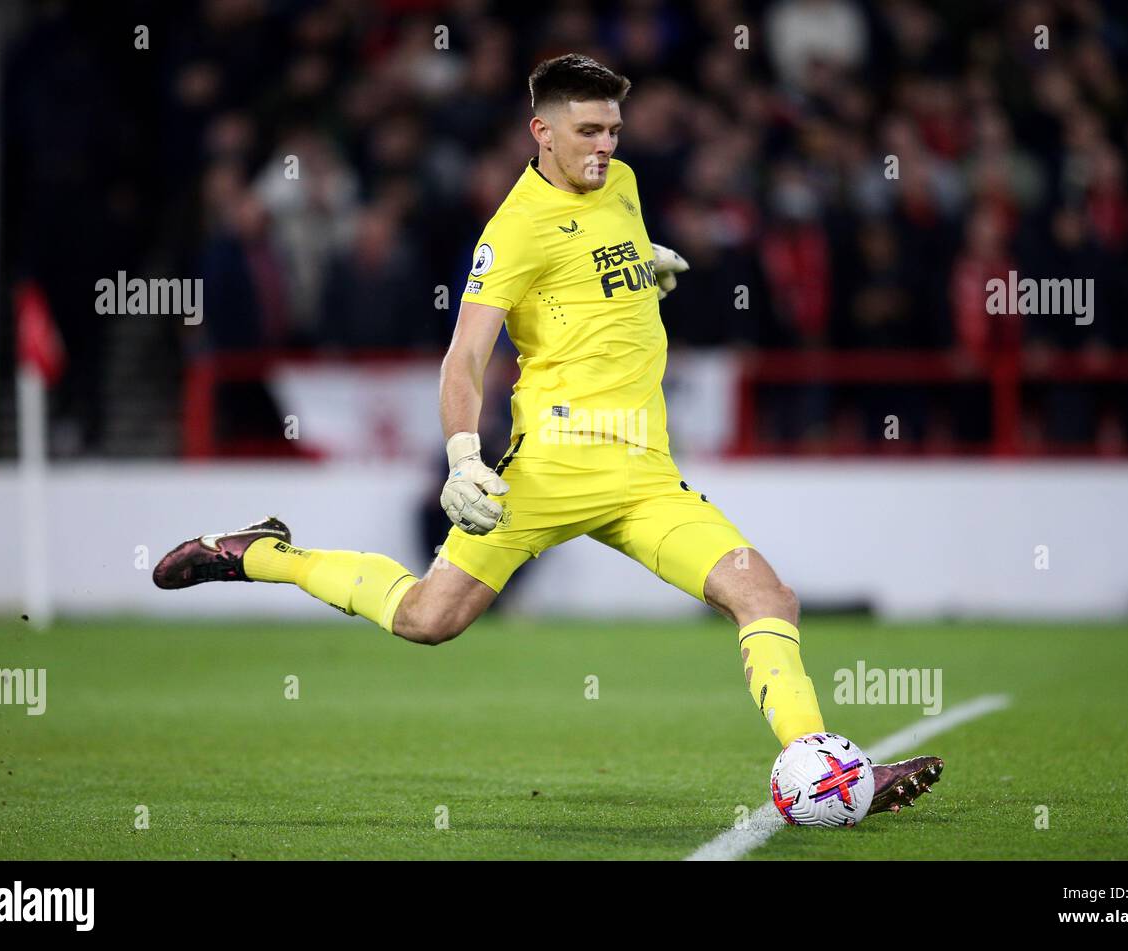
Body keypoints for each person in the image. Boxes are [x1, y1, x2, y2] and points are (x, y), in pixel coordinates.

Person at [153, 54, 940, 817]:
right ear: (543, 132)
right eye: (591, 131)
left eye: (615, 131)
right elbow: (464, 355)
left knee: (768, 596)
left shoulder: (623, 186)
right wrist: (463, 454)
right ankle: (258, 551)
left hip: (645, 477)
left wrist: (642, 271)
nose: (607, 147)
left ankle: (826, 770)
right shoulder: (515, 228)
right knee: (428, 619)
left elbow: (601, 269)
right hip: (551, 470)